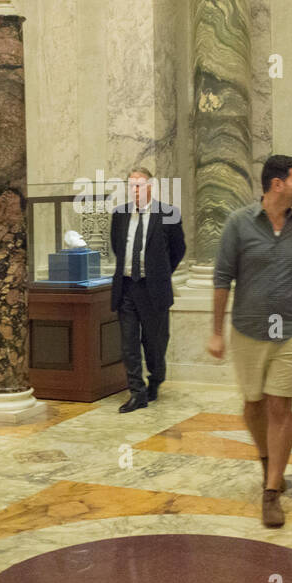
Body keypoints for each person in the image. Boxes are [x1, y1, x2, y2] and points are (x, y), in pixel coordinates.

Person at [207, 154, 292, 529]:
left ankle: (271, 492)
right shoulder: (238, 224)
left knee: (280, 407)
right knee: (253, 405)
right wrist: (214, 330)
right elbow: (222, 278)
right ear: (277, 184)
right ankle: (267, 458)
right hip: (248, 329)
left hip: (290, 331)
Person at [110, 167, 186, 413]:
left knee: (154, 342)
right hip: (127, 287)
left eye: (139, 185)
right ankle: (137, 392)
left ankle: (155, 380)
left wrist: (160, 273)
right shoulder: (120, 215)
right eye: (131, 185)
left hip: (153, 288)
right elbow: (117, 246)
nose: (135, 189)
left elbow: (178, 250)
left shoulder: (168, 214)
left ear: (150, 187)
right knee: (128, 343)